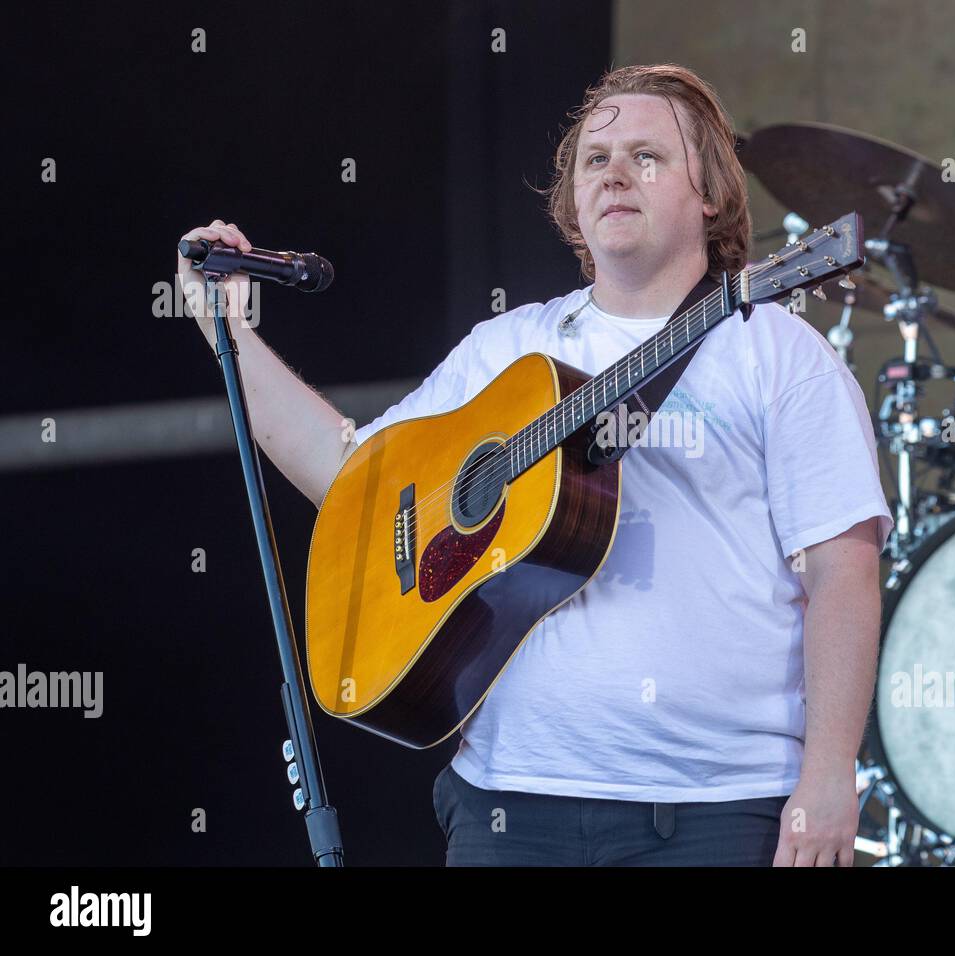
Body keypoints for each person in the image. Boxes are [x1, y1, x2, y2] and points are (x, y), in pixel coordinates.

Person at [177, 63, 892, 867]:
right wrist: (226, 330)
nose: (614, 174)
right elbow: (353, 481)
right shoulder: (509, 348)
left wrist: (830, 773)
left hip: (716, 810)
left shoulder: (779, 354)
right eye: (596, 159)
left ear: (711, 196)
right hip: (506, 804)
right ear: (573, 200)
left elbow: (843, 572)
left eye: (647, 156)